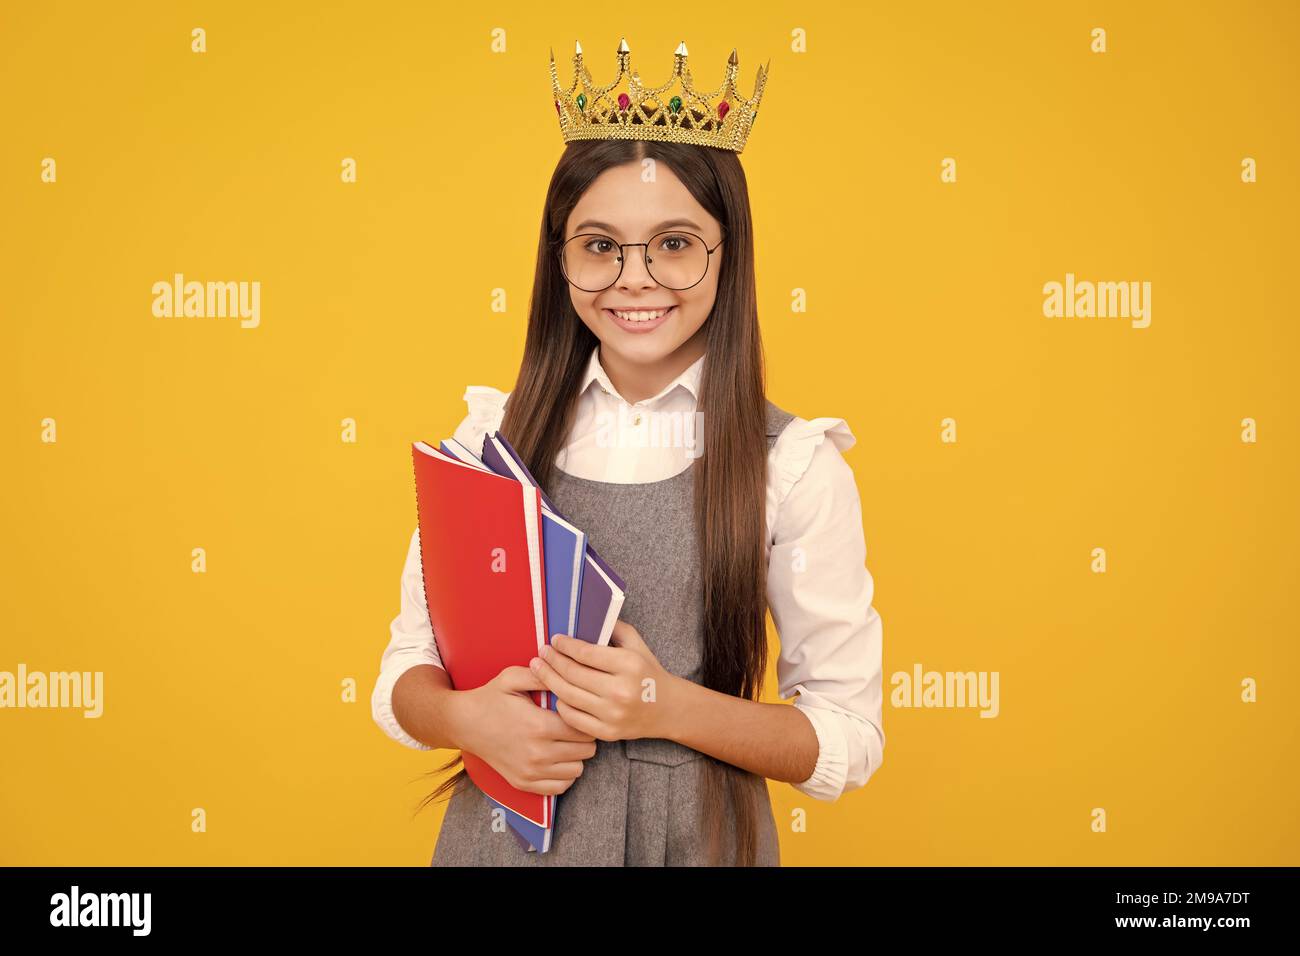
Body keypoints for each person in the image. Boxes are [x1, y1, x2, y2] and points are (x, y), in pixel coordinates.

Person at [370, 38, 884, 866]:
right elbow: (406, 672)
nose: (634, 278)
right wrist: (469, 721)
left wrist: (666, 706)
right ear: (561, 258)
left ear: (729, 253)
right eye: (600, 245)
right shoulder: (490, 439)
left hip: (697, 843)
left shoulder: (792, 463)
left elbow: (848, 738)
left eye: (675, 243)